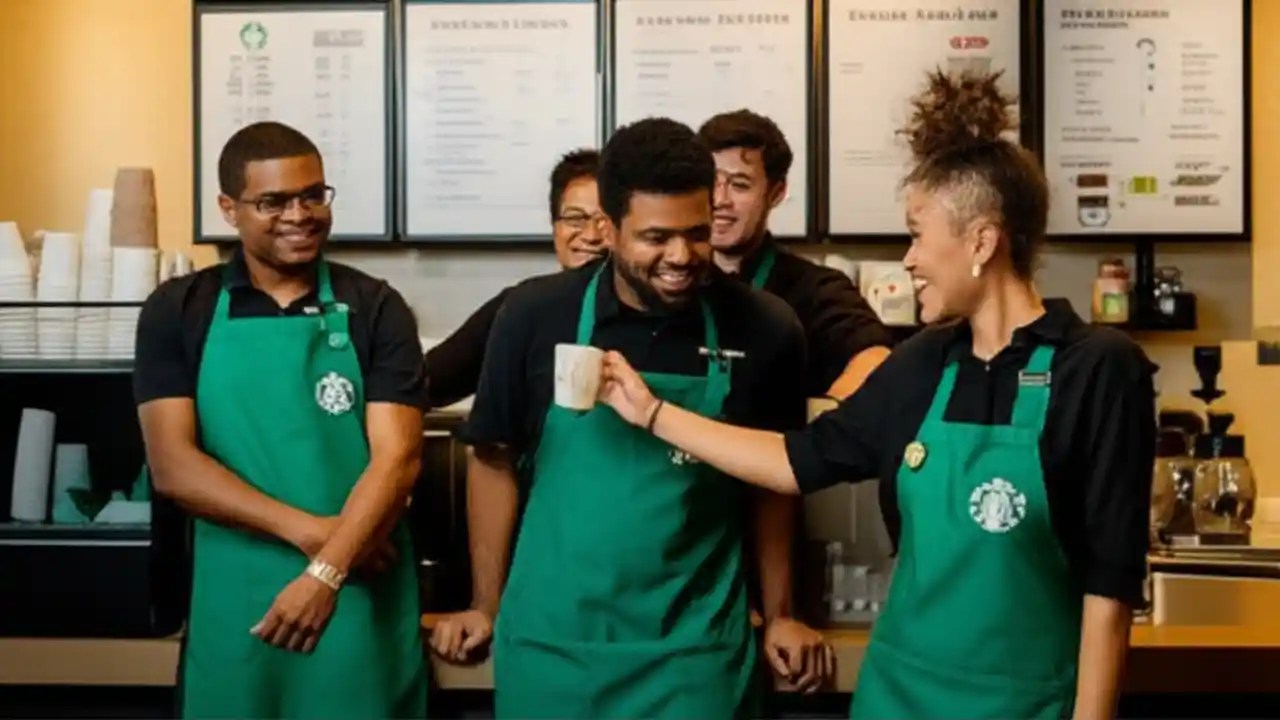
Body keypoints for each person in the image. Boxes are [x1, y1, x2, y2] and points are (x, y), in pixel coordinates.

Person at [599, 72, 1155, 720]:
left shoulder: (1097, 369)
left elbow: (1110, 586)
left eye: (918, 234)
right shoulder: (923, 363)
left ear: (980, 241)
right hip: (898, 695)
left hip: (1027, 702)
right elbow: (796, 461)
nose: (910, 259)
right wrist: (656, 415)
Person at [435, 117, 816, 718]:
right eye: (656, 237)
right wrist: (486, 604)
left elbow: (772, 485)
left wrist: (782, 613)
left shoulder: (765, 327)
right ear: (609, 229)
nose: (682, 256)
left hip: (695, 659)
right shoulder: (534, 314)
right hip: (552, 652)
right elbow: (492, 459)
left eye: (697, 233)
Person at [134, 121, 429, 719]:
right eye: (273, 202)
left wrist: (327, 573)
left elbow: (397, 460)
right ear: (229, 209)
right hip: (237, 596)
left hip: (360, 598)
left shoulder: (375, 306)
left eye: (313, 195)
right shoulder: (179, 310)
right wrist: (317, 537)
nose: (300, 214)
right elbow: (174, 468)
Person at [698, 109, 893, 401]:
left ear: (776, 193)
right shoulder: (676, 277)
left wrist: (822, 430)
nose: (720, 200)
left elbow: (876, 361)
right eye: (710, 182)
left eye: (740, 185)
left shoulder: (814, 289)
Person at [423, 149, 605, 409]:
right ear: (554, 226)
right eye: (575, 219)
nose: (591, 235)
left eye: (604, 221)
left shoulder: (651, 309)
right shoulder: (521, 306)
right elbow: (420, 384)